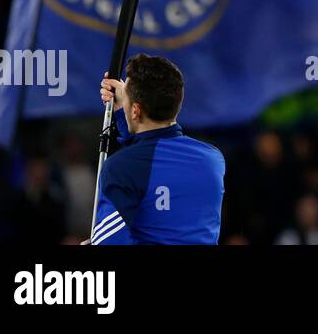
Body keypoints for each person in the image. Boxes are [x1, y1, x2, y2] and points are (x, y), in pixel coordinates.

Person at [88, 54, 225, 244]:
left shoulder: (120, 167)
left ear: (136, 110)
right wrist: (123, 111)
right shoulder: (213, 160)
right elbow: (150, 157)